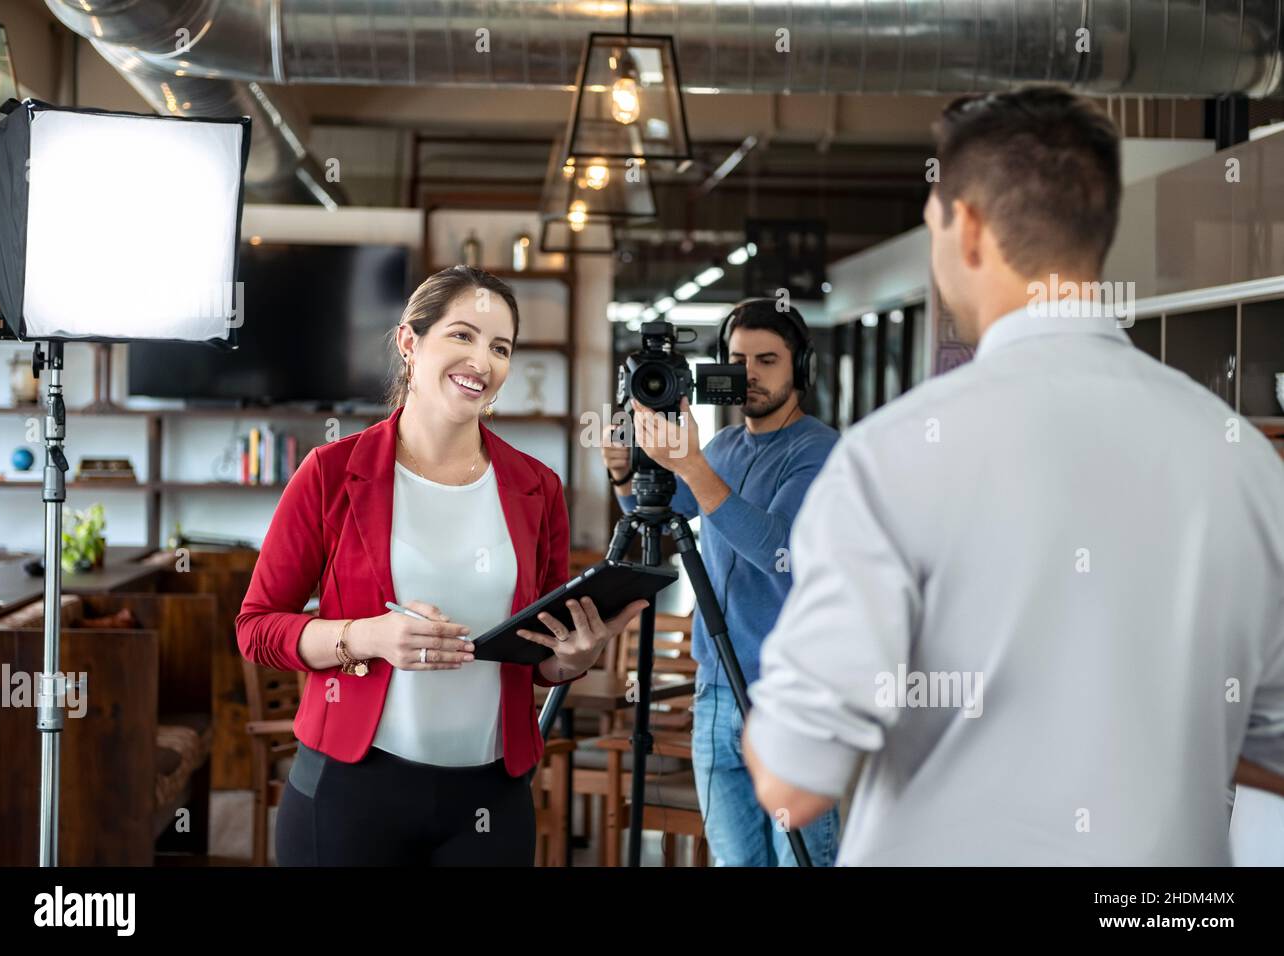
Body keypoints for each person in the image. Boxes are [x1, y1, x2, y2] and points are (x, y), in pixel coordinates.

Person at [742, 85, 1284, 865]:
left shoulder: (889, 459)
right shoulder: (1242, 459)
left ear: (965, 228)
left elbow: (793, 782)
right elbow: (1269, 746)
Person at [236, 265, 647, 866]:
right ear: (409, 341)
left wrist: (572, 660)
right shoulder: (329, 474)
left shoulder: (538, 488)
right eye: (463, 335)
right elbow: (255, 628)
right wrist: (368, 636)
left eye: (500, 347)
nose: (482, 360)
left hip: (489, 796)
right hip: (352, 789)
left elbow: (541, 653)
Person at [601, 298, 842, 866]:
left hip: (792, 695)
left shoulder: (821, 450)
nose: (751, 374)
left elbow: (778, 551)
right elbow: (666, 510)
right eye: (739, 360)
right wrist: (623, 473)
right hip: (715, 690)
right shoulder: (723, 448)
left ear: (799, 370)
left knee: (801, 860)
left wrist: (691, 465)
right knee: (736, 862)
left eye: (768, 360)